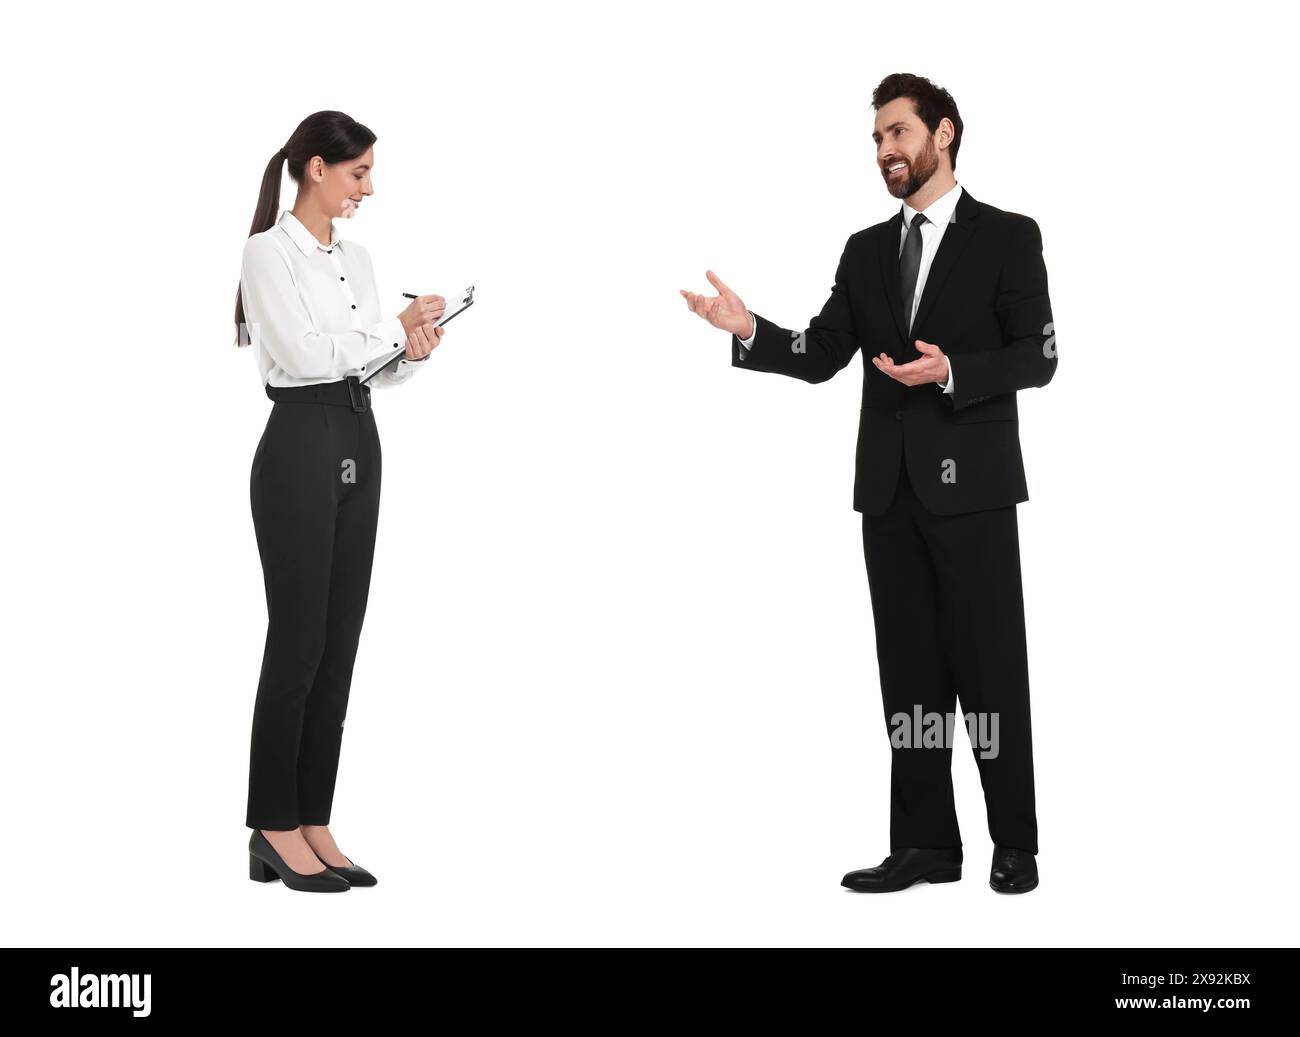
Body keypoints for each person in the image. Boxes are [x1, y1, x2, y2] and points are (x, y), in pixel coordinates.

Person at [681, 74, 1056, 894]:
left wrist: (954, 369)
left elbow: (1039, 356)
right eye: (876, 138)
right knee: (911, 674)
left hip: (977, 491)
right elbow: (820, 355)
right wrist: (748, 329)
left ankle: (1013, 840)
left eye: (897, 133)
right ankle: (926, 843)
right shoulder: (864, 251)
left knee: (991, 671)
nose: (884, 149)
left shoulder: (1008, 236)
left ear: (943, 134)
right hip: (889, 494)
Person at [233, 110, 448, 892]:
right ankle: (271, 821)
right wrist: (389, 331)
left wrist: (414, 346)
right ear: (316, 168)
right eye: (358, 173)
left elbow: (368, 368)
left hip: (360, 436)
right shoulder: (266, 253)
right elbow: (302, 355)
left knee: (339, 637)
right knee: (297, 637)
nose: (367, 188)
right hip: (298, 442)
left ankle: (313, 815)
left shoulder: (356, 257)